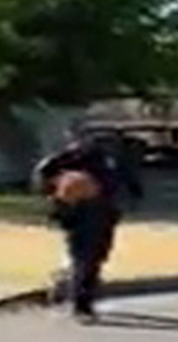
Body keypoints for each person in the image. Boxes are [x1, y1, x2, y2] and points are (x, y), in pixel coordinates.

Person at [32, 129, 128, 323]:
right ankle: (81, 303)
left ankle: (67, 285)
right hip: (76, 212)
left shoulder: (113, 162)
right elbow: (41, 177)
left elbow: (126, 186)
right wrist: (55, 195)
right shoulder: (66, 159)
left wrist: (122, 202)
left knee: (96, 256)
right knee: (83, 257)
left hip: (103, 212)